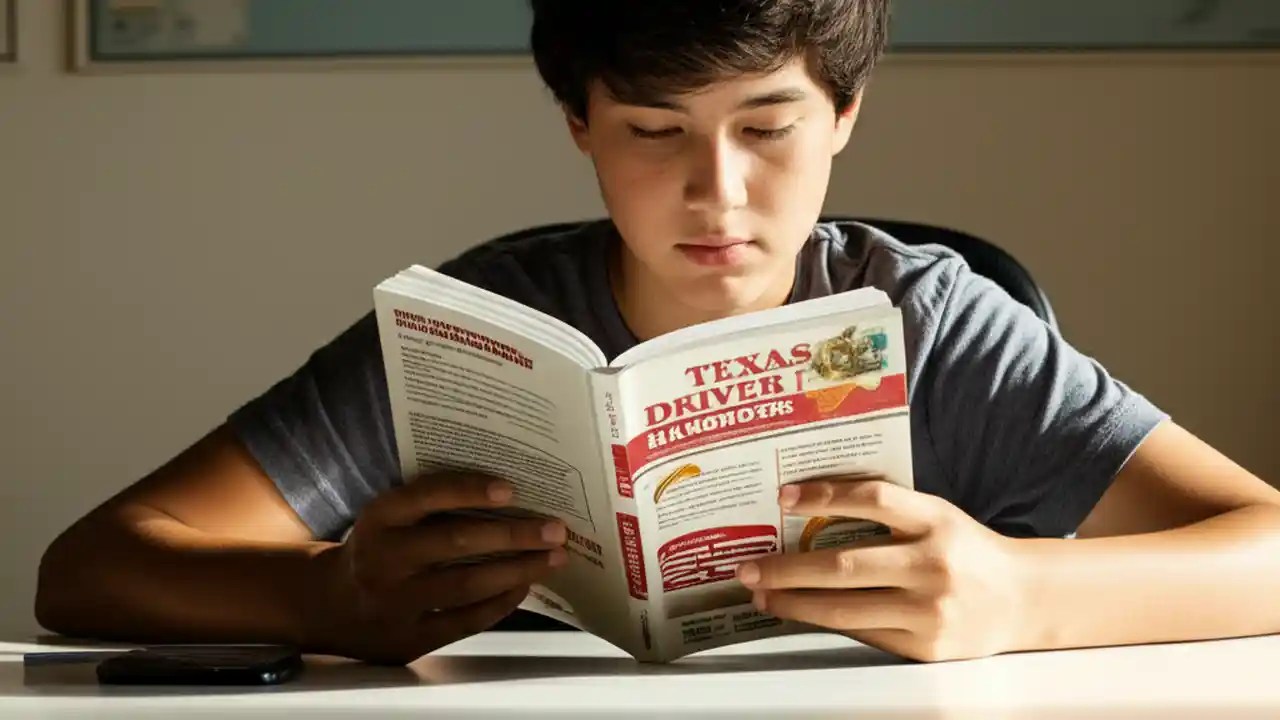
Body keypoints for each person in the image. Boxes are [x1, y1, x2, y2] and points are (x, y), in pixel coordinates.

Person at [35, 0, 1280, 666]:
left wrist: (1018, 594)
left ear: (843, 113)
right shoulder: (476, 334)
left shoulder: (932, 322)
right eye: (651, 130)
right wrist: (319, 596)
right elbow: (90, 570)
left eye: (769, 125)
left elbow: (1267, 547)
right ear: (577, 121)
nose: (717, 190)